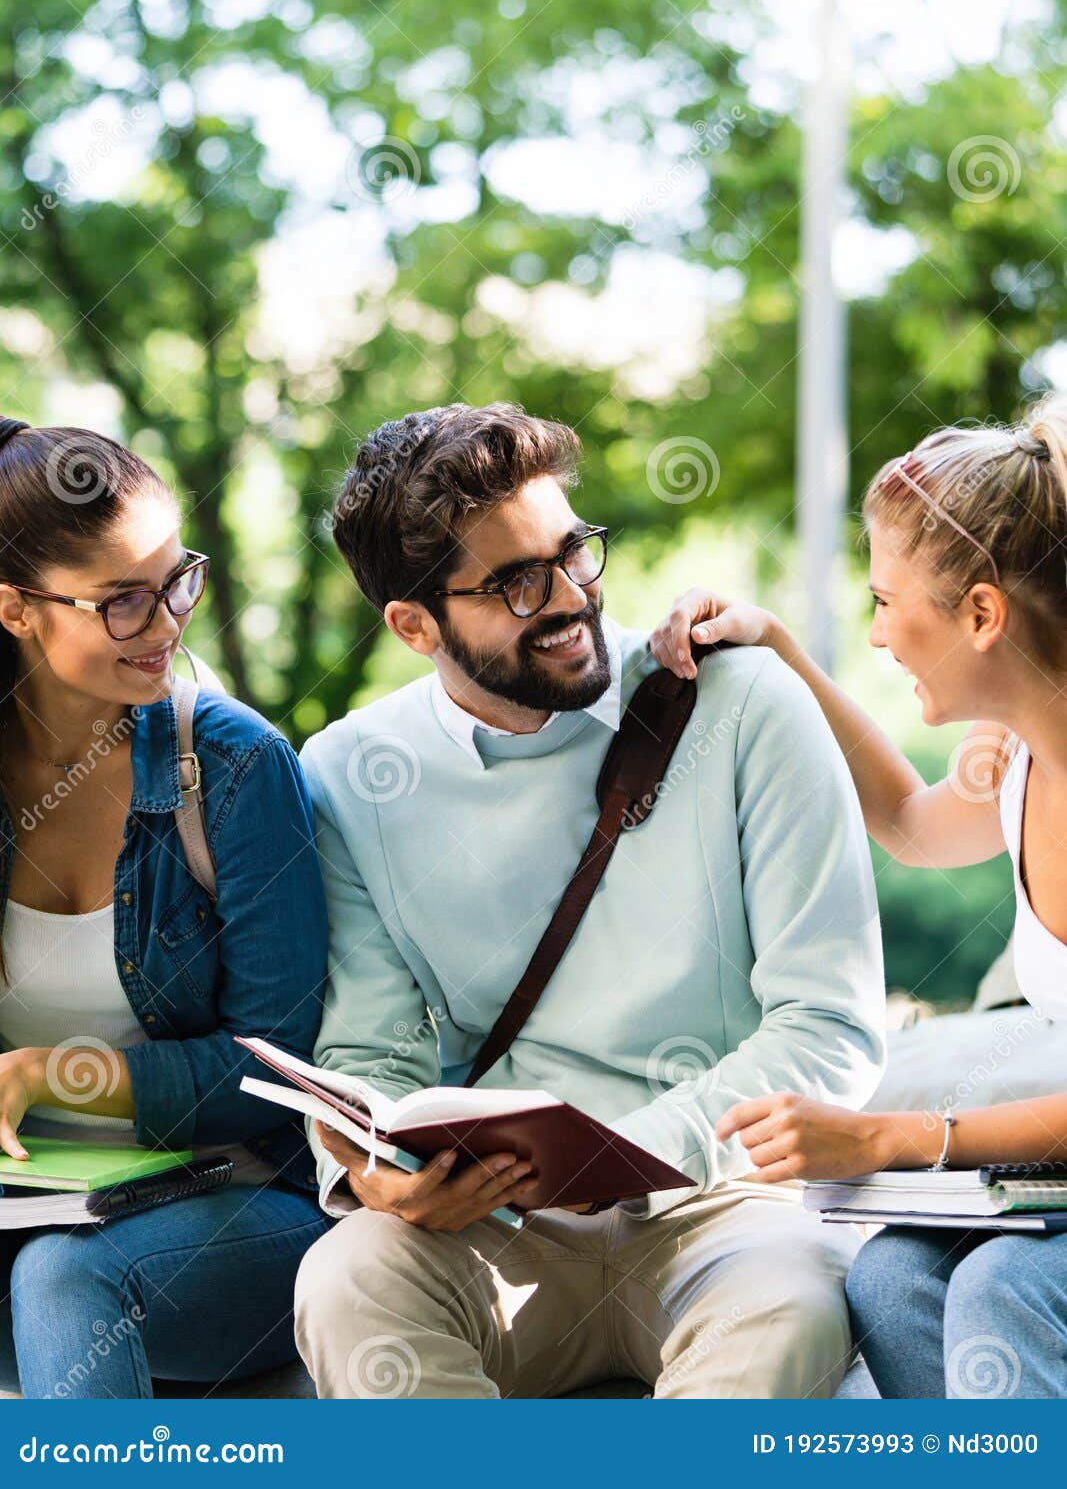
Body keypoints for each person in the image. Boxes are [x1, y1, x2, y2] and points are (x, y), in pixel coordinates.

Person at [292, 400, 885, 1400]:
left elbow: (826, 1022)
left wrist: (635, 1152)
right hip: (504, 1227)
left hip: (730, 1205)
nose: (570, 597)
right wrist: (366, 1167)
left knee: (789, 1307)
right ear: (412, 623)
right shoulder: (348, 773)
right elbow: (368, 1053)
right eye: (518, 582)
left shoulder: (741, 704)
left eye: (574, 552)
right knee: (346, 1276)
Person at [649, 394, 1067, 1399]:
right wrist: (778, 651)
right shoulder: (1012, 747)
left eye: (884, 603)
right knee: (889, 1280)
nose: (876, 633)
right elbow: (913, 822)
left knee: (1001, 1291)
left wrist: (897, 1136)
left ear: (978, 613)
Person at [0, 417, 330, 1399]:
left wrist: (58, 1078)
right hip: (31, 1198)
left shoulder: (230, 768)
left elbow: (282, 1068)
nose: (165, 624)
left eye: (174, 580)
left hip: (242, 1198)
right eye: (123, 601)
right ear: (15, 608)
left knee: (62, 1278)